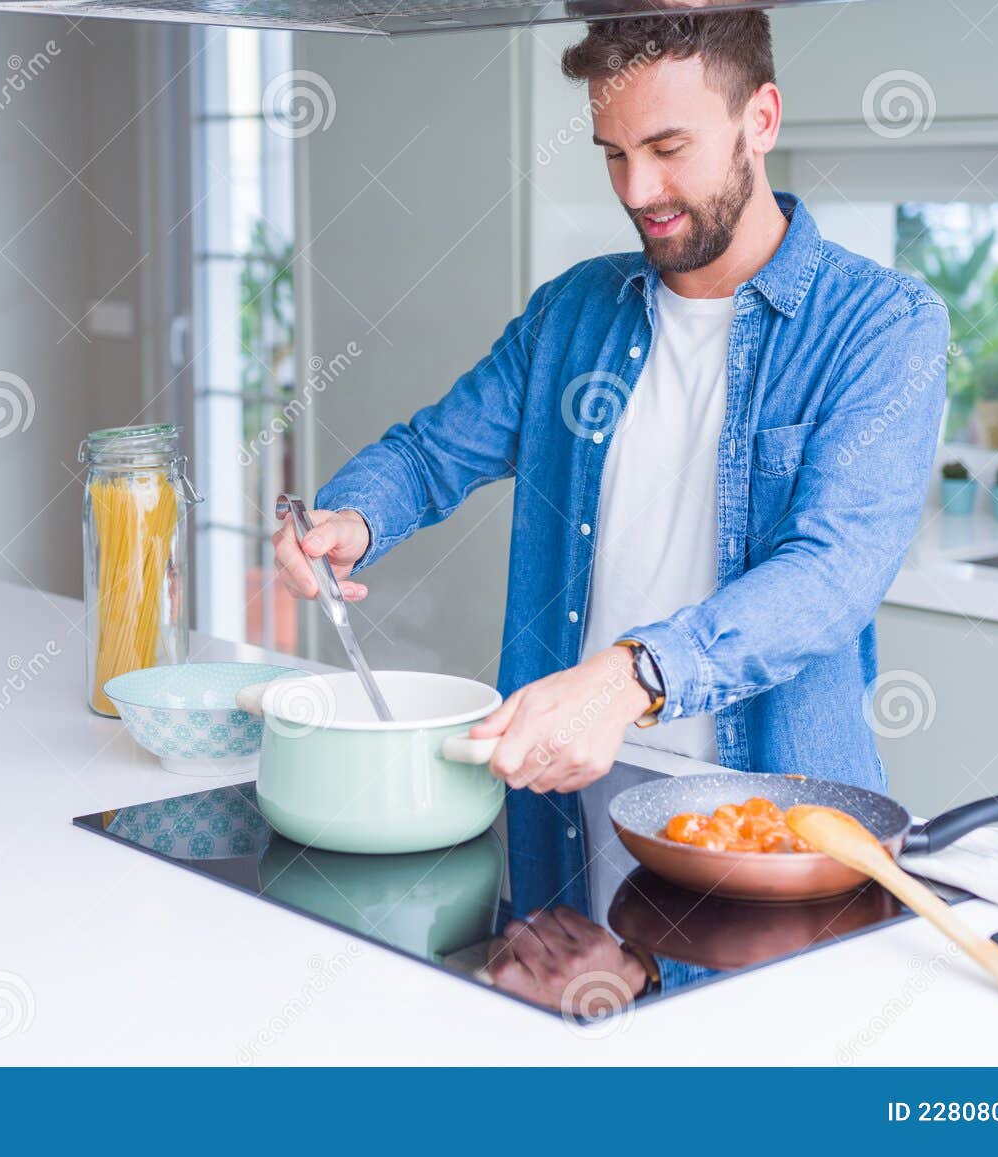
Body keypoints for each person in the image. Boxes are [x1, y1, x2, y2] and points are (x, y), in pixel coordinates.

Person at [273, 12, 949, 882]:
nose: (638, 189)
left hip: (778, 841)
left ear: (761, 119)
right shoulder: (573, 312)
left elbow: (831, 574)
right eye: (614, 153)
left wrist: (633, 677)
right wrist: (352, 518)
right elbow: (431, 454)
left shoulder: (881, 325)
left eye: (668, 148)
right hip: (570, 814)